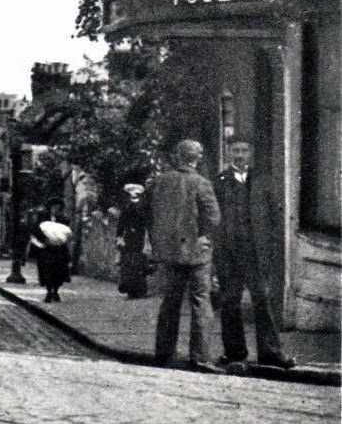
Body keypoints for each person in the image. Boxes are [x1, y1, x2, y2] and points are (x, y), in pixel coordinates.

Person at [214, 141, 295, 370]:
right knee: (230, 302)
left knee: (262, 300)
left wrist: (270, 250)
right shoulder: (219, 182)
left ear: (251, 153)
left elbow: (274, 218)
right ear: (229, 152)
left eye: (244, 151)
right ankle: (234, 354)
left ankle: (271, 353)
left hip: (255, 254)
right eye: (235, 151)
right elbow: (212, 218)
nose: (240, 155)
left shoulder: (263, 181)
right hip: (229, 254)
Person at [144, 139, 222, 372]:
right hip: (197, 254)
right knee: (200, 301)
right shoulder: (202, 183)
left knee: (170, 302)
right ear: (197, 158)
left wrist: (159, 240)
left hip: (169, 253)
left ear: (178, 156)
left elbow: (146, 212)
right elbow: (214, 218)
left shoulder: (159, 182)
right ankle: (200, 357)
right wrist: (205, 237)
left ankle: (164, 354)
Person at [28, 198, 72, 302]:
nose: (56, 210)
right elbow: (35, 230)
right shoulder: (42, 219)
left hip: (59, 250)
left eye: (58, 208)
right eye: (54, 207)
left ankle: (56, 291)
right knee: (46, 271)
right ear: (50, 208)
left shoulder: (64, 220)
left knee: (58, 271)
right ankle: (49, 291)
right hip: (46, 249)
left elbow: (66, 233)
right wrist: (44, 240)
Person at [116, 183, 150, 299]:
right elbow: (121, 224)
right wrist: (119, 237)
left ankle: (135, 290)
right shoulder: (132, 208)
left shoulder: (133, 208)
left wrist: (119, 237)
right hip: (132, 239)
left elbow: (121, 225)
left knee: (135, 264)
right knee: (133, 264)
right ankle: (134, 290)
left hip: (136, 238)